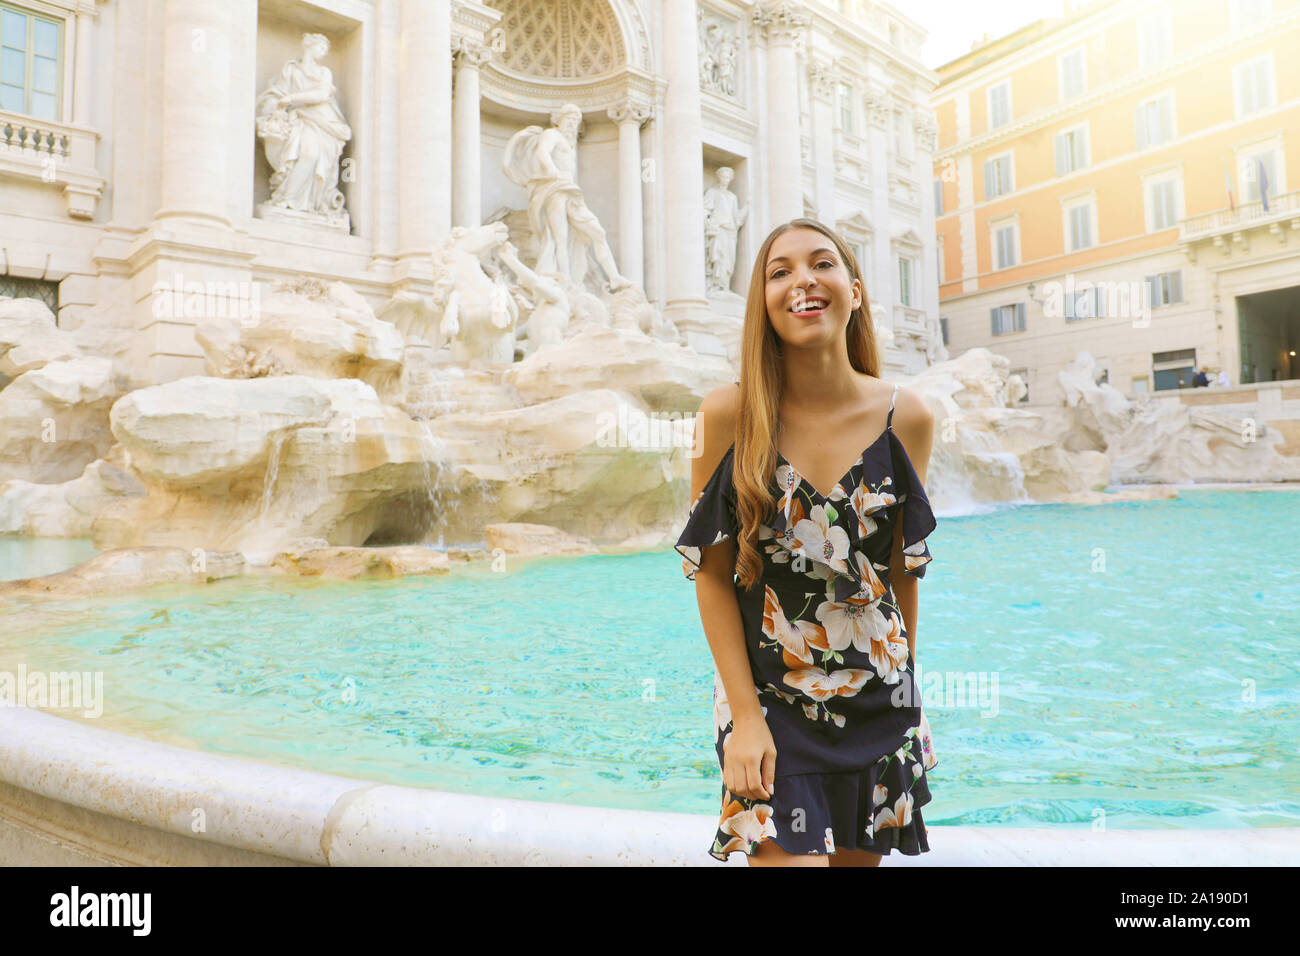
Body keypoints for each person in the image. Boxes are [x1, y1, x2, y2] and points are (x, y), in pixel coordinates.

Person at [674, 218, 938, 867]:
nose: (802, 282)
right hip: (769, 699)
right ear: (763, 303)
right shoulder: (727, 416)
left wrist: (908, 693)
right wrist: (743, 716)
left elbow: (903, 571)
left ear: (854, 288)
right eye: (780, 271)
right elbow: (709, 574)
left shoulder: (908, 417)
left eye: (821, 264)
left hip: (877, 698)